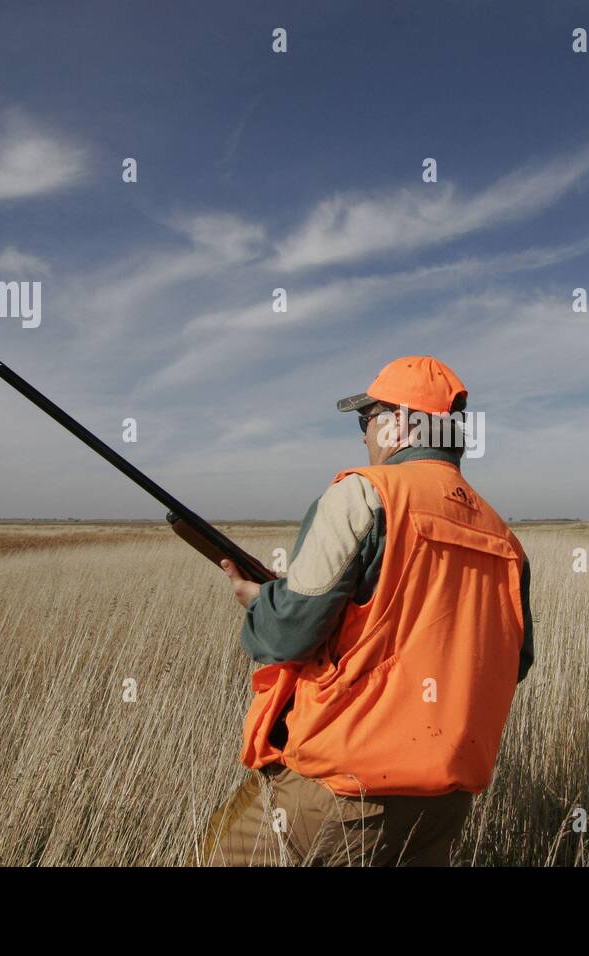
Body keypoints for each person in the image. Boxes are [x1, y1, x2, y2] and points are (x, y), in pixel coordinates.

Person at [193, 356, 534, 866]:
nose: (364, 436)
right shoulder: (504, 538)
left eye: (366, 419)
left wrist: (260, 602)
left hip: (343, 787)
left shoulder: (364, 494)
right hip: (446, 800)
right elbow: (515, 662)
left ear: (398, 423)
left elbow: (287, 634)